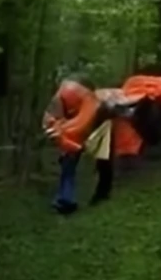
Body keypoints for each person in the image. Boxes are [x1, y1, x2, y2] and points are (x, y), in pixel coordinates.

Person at [41, 77, 139, 213]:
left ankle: (98, 194)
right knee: (69, 164)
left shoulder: (97, 101)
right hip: (76, 135)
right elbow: (51, 122)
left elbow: (113, 108)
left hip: (96, 131)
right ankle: (66, 199)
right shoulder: (61, 101)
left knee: (103, 162)